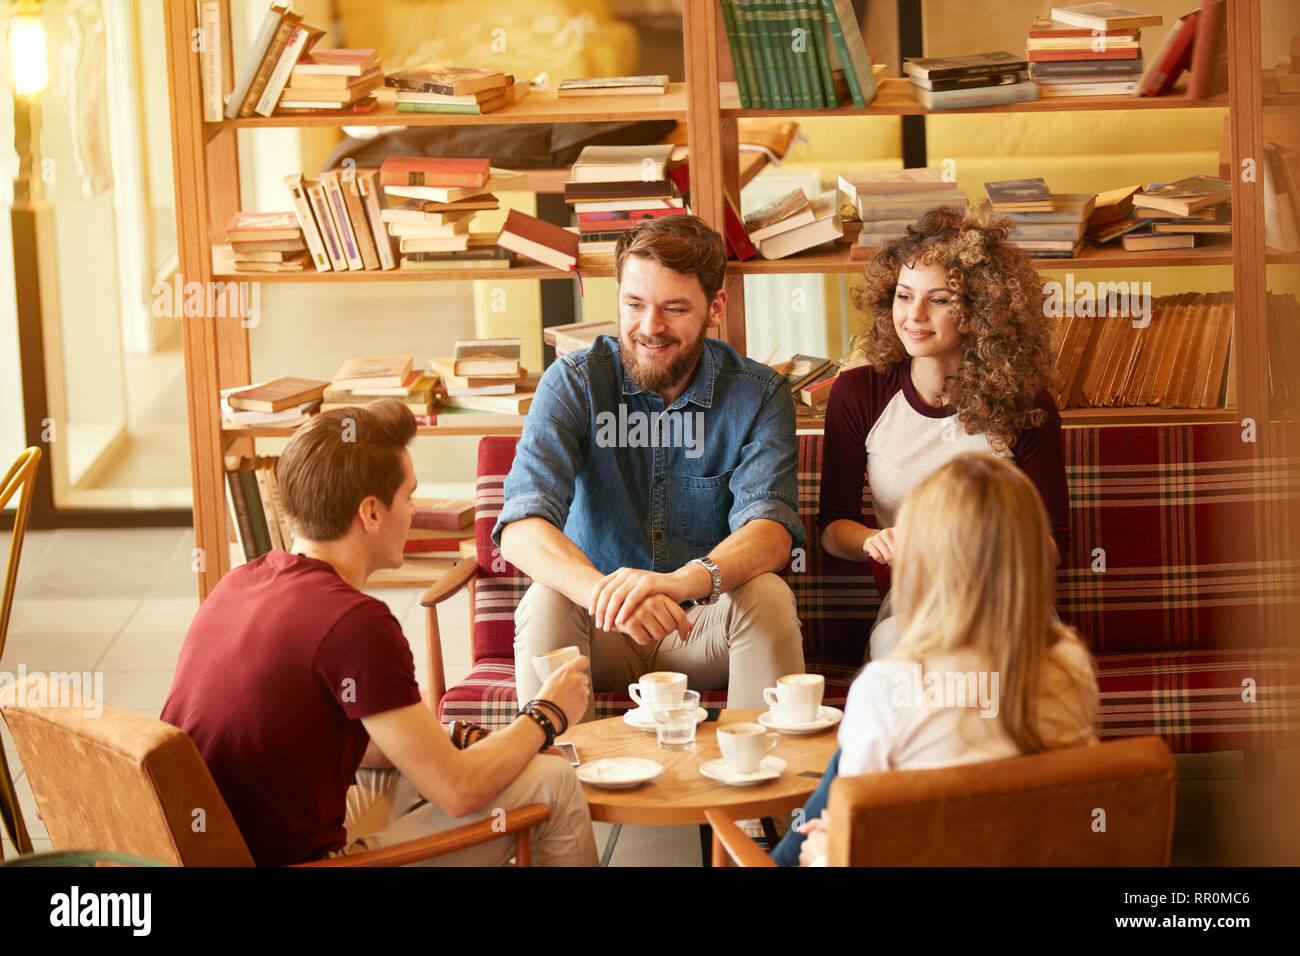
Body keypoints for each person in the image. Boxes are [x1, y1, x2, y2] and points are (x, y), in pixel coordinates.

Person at [162, 400, 598, 866]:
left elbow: (336, 731)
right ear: (371, 513)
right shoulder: (354, 624)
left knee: (418, 771)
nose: (412, 511)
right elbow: (457, 790)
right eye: (409, 496)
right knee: (551, 781)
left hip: (201, 851)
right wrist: (546, 714)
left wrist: (455, 738)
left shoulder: (238, 582)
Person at [496, 214, 806, 722]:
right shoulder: (572, 382)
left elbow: (770, 532)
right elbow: (521, 527)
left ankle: (760, 797)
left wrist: (683, 582)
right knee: (546, 600)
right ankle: (565, 790)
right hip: (600, 628)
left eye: (674, 308)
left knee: (768, 595)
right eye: (634, 305)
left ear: (715, 308)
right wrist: (607, 593)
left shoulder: (760, 394)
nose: (649, 327)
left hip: (699, 630)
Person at [794, 453, 1098, 865]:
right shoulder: (1070, 666)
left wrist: (825, 854)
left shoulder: (883, 688)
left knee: (813, 837)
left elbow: (860, 836)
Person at [821, 202, 1070, 662]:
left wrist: (979, 548)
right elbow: (832, 527)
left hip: (1006, 598)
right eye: (903, 294)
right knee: (894, 647)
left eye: (939, 299)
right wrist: (871, 540)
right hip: (911, 604)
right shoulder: (859, 393)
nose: (914, 314)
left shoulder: (1027, 403)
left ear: (982, 310)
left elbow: (1054, 544)